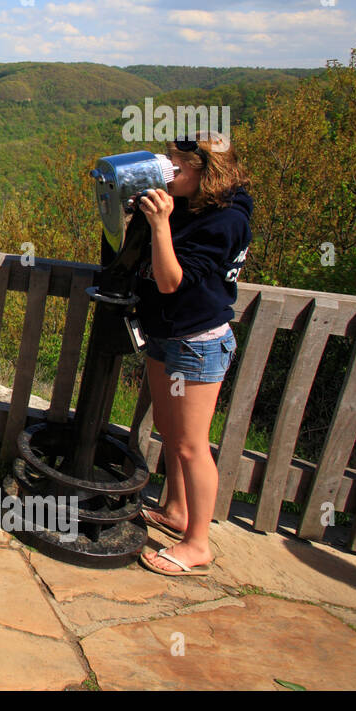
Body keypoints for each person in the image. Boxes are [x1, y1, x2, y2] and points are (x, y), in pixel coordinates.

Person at [129, 130, 253, 576]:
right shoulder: (193, 204)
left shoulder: (225, 220)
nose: (168, 169)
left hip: (196, 343)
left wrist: (161, 225)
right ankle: (177, 511)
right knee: (168, 428)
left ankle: (198, 542)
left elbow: (171, 282)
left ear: (205, 170)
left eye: (177, 163)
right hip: (166, 334)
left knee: (191, 446)